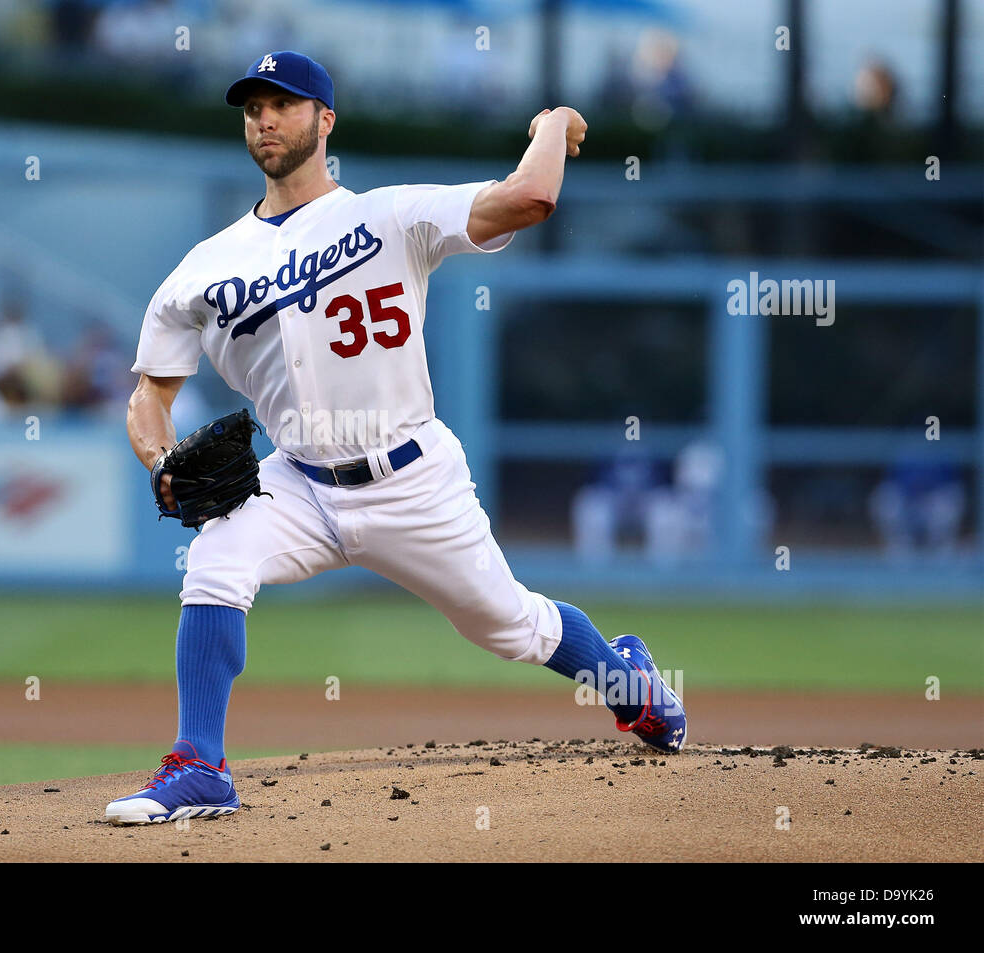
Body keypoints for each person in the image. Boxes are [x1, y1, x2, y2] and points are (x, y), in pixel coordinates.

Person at [107, 51, 686, 826]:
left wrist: (550, 125)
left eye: (283, 103)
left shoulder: (389, 215)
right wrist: (160, 458)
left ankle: (632, 686)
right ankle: (200, 767)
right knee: (218, 551)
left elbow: (531, 197)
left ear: (325, 119)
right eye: (252, 107)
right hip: (299, 483)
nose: (265, 118)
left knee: (510, 624)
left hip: (412, 479)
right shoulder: (202, 269)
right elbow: (151, 392)